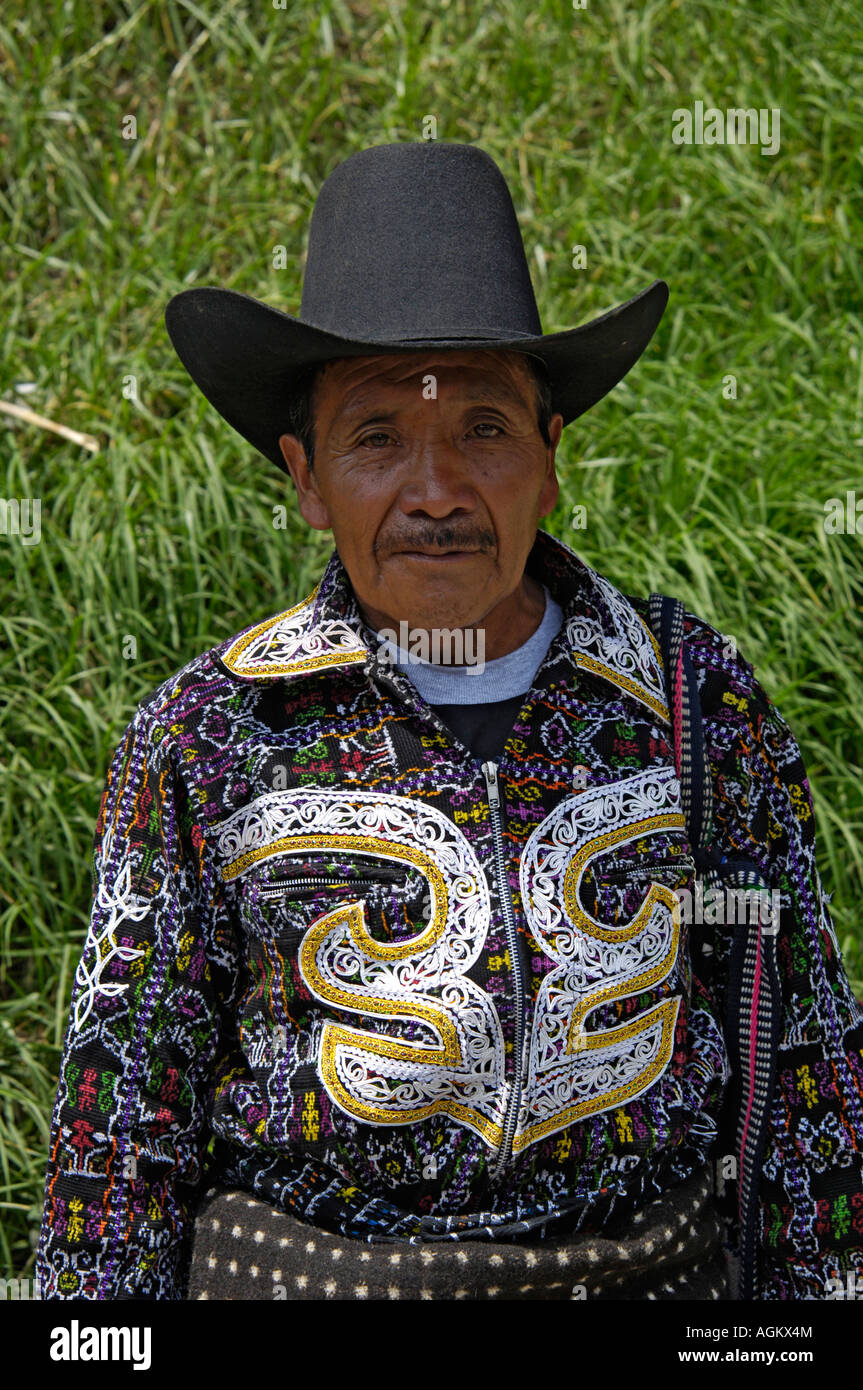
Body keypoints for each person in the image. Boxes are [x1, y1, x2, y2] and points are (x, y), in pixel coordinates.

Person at [36, 141, 863, 1302]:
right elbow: (120, 1118)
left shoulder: (691, 696)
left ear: (549, 459)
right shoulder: (207, 732)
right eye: (377, 437)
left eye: (482, 428)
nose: (434, 491)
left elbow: (803, 1058)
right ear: (308, 479)